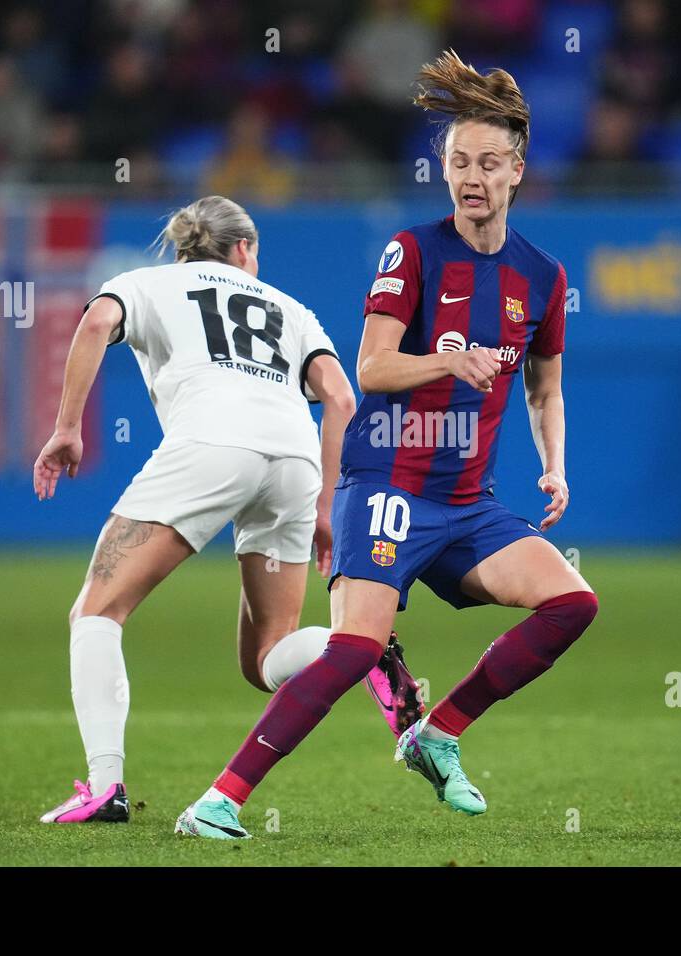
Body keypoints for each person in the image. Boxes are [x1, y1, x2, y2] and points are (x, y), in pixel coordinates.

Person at [176, 52, 598, 841]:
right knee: (353, 648)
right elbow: (370, 365)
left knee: (573, 601)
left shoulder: (541, 275)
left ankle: (436, 732)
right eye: (457, 162)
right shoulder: (413, 250)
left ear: (517, 171)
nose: (471, 177)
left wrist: (553, 463)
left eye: (488, 163)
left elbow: (546, 387)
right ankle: (219, 801)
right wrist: (446, 357)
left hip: (469, 501)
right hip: (387, 486)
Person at [33, 195, 422, 825]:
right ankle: (364, 646)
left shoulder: (145, 283)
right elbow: (341, 398)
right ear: (242, 249)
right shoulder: (291, 310)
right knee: (268, 657)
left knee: (96, 612)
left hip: (211, 447)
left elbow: (95, 324)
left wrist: (68, 428)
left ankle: (106, 788)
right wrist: (327, 504)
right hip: (294, 462)